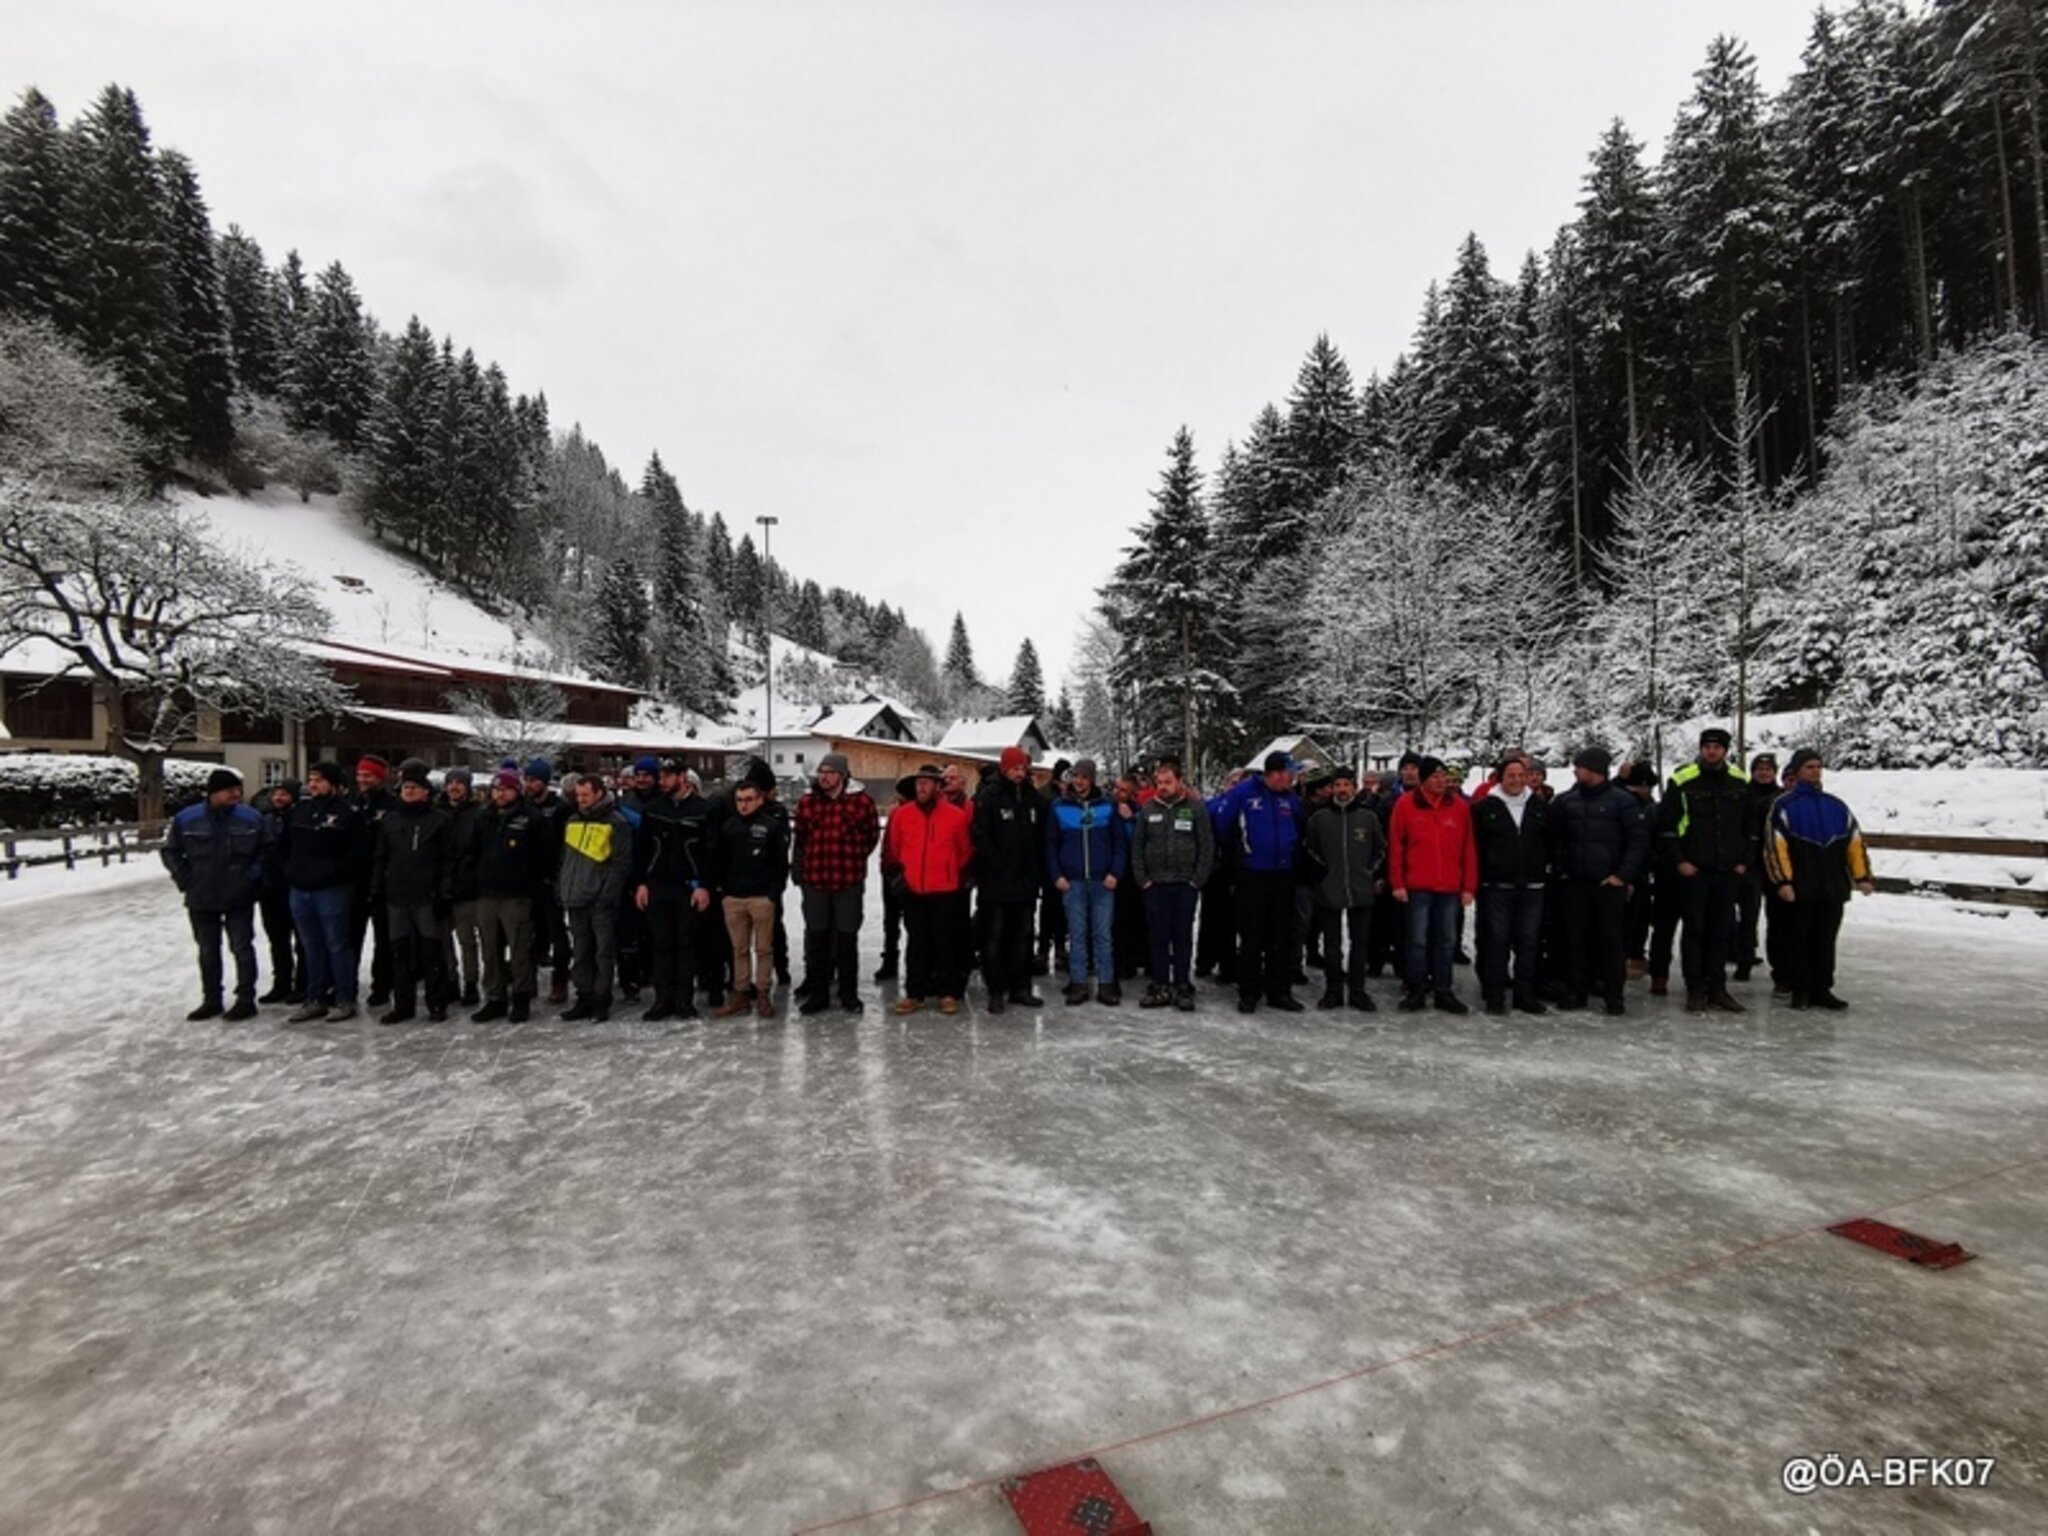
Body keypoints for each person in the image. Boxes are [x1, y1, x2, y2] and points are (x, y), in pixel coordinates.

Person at [1761, 749, 1876, 1010]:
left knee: (1826, 940)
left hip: (1832, 885)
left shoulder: (1836, 805)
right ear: (1797, 771)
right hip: (1801, 886)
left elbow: (1855, 843)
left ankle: (1822, 987)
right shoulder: (1783, 806)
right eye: (1809, 767)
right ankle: (1800, 989)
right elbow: (1775, 846)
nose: (1815, 771)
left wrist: (1862, 875)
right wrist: (1783, 881)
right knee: (1799, 939)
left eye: (1818, 766)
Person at [1657, 726, 1756, 1014]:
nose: (1711, 751)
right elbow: (1667, 826)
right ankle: (1695, 987)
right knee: (1695, 929)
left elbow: (1751, 827)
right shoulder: (1683, 780)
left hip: (1727, 870)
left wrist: (1743, 862)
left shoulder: (1740, 781)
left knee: (1721, 930)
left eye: (1717, 747)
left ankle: (1718, 986)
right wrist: (1680, 861)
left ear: (1726, 751)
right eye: (1707, 746)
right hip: (1695, 870)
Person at [161, 767, 271, 1021]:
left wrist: (252, 878)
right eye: (230, 790)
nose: (236, 794)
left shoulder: (251, 818)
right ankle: (211, 999)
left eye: (238, 789)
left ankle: (245, 999)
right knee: (208, 950)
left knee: (242, 947)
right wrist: (185, 879)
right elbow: (171, 851)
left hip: (239, 894)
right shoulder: (187, 819)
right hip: (201, 895)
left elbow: (265, 852)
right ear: (213, 793)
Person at [1550, 748, 1650, 1015]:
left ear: (1593, 770)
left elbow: (1638, 841)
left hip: (1609, 884)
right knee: (1574, 940)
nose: (1575, 771)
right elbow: (1556, 839)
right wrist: (1561, 870)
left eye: (1579, 767)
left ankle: (1613, 994)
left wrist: (1622, 875)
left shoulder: (1622, 801)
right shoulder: (1566, 801)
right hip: (1575, 883)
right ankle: (1575, 991)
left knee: (1611, 941)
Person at [1210, 751, 1308, 1014]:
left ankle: (1279, 991)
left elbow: (1300, 829)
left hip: (1283, 874)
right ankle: (1249, 992)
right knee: (1252, 936)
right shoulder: (1243, 792)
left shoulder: (1290, 798)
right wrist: (1237, 859)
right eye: (1289, 773)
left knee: (1281, 936)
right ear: (1275, 773)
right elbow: (1222, 824)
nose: (1292, 779)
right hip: (1251, 874)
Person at [791, 751, 879, 1015]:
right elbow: (802, 839)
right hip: (816, 881)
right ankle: (819, 994)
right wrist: (801, 872)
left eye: (829, 772)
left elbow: (871, 837)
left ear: (841, 775)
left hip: (847, 881)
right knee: (817, 939)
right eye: (821, 772)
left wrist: (852, 858)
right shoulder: (808, 803)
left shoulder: (862, 802)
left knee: (846, 940)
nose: (824, 777)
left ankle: (848, 993)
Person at [882, 764, 974, 1015]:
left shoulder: (955, 816)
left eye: (926, 782)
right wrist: (901, 876)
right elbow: (894, 848)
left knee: (945, 942)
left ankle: (947, 992)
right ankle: (915, 993)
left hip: (945, 890)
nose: (921, 786)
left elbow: (965, 851)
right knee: (917, 942)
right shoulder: (902, 815)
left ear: (937, 787)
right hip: (913, 890)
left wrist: (954, 877)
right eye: (918, 782)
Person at [1387, 756, 1477, 1013]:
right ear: (1424, 780)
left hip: (1449, 886)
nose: (1441, 781)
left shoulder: (1459, 807)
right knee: (1417, 940)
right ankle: (1416, 988)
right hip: (1417, 885)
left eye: (1443, 776)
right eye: (1435, 776)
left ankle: (1443, 990)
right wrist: (1398, 882)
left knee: (1446, 940)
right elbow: (1397, 846)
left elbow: (1468, 848)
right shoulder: (1405, 805)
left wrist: (1469, 885)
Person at [370, 759, 456, 1025]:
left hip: (427, 898)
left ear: (425, 792)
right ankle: (403, 1004)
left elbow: (447, 860)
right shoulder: (390, 820)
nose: (408, 791)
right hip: (397, 896)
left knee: (432, 953)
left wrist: (444, 893)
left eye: (413, 787)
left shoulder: (439, 820)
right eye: (405, 787)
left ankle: (436, 1002)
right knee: (400, 954)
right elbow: (380, 857)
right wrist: (376, 890)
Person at [279, 761, 366, 1022]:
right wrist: (290, 872)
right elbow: (283, 846)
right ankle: (314, 996)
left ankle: (343, 997)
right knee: (309, 946)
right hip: (300, 888)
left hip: (332, 889)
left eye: (319, 779)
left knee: (337, 944)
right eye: (311, 779)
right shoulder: (299, 811)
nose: (313, 784)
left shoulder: (348, 812)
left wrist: (337, 873)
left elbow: (358, 852)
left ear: (333, 784)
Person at [1130, 754, 1214, 1011]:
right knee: (1158, 936)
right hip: (1155, 886)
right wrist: (1142, 879)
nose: (1162, 787)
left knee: (1182, 936)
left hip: (1184, 885)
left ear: (1179, 782)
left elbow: (1206, 845)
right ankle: (1160, 984)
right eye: (1159, 782)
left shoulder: (1195, 807)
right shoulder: (1148, 809)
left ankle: (1181, 984)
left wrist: (1197, 879)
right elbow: (1137, 847)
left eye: (1167, 782)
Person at [1470, 755, 1551, 1016]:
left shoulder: (1540, 806)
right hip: (1497, 886)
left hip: (1533, 886)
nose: (1516, 781)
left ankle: (1524, 994)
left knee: (1528, 942)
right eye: (1511, 776)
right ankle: (1495, 995)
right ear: (1501, 778)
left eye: (1521, 775)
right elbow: (1475, 847)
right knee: (1497, 942)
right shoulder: (1485, 808)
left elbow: (1553, 843)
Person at [1298, 765, 1384, 1012]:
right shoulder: (1319, 819)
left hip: (1361, 889)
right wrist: (1323, 872)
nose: (1342, 789)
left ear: (1354, 788)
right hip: (1329, 889)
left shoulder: (1368, 817)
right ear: (1332, 789)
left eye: (1346, 785)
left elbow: (1380, 848)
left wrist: (1370, 872)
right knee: (1332, 944)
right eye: (1337, 785)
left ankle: (1358, 991)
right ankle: (1333, 990)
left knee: (1360, 943)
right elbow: (1309, 848)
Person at [634, 758, 714, 1022]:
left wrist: (704, 885)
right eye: (661, 777)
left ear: (682, 777)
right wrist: (641, 883)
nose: (662, 781)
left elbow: (711, 852)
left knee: (686, 945)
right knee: (661, 944)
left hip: (687, 887)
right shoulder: (653, 808)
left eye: (667, 776)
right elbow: (643, 849)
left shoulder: (703, 809)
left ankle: (684, 1000)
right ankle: (662, 999)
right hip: (657, 885)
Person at [970, 746, 1046, 1014]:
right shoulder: (989, 796)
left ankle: (1020, 988)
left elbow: (1041, 836)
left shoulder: (1032, 797)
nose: (1019, 773)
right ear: (1004, 768)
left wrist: (1034, 870)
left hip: (1025, 883)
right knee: (994, 938)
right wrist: (999, 865)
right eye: (1015, 768)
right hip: (996, 882)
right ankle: (996, 990)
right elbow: (980, 835)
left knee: (1023, 938)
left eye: (1023, 768)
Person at [1046, 758, 1128, 1006]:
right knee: (1078, 934)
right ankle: (1079, 982)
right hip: (1073, 881)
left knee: (1103, 934)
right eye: (1076, 776)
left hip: (1103, 881)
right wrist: (1057, 875)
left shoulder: (1107, 805)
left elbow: (1119, 843)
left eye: (1084, 777)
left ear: (1092, 780)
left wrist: (1115, 871)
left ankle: (1106, 982)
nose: (1079, 782)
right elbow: (1050, 844)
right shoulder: (1059, 806)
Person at [470, 768, 549, 1023]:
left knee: (520, 949)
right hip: (487, 894)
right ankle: (495, 998)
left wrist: (533, 887)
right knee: (490, 949)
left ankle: (521, 997)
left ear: (516, 790)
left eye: (505, 789)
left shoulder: (532, 818)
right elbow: (472, 852)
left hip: (518, 895)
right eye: (496, 789)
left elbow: (543, 857)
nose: (500, 794)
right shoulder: (483, 817)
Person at [710, 775, 792, 1018]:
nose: (743, 805)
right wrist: (723, 892)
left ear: (759, 800)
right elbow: (718, 862)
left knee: (764, 949)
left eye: (748, 800)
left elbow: (780, 864)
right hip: (733, 898)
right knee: (738, 949)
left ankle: (764, 993)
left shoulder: (771, 826)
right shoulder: (728, 827)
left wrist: (773, 894)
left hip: (761, 898)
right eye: (739, 800)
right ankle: (741, 993)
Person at [557, 772, 634, 1022]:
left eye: (586, 795)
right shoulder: (571, 821)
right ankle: (584, 997)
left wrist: (607, 894)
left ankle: (601, 1000)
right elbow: (565, 861)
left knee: (603, 953)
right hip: (575, 897)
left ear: (600, 793)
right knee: (581, 951)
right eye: (578, 795)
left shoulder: (617, 823)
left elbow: (621, 864)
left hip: (601, 900)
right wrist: (563, 888)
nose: (581, 800)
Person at [349, 755, 397, 1008]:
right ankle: (347, 984)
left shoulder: (392, 805)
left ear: (380, 778)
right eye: (360, 775)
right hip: (355, 881)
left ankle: (382, 986)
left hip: (383, 881)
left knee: (384, 940)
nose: (362, 780)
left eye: (368, 775)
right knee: (350, 938)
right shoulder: (352, 803)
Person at [523, 759, 572, 1004]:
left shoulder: (561, 808)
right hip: (527, 880)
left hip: (552, 879)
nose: (529, 785)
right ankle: (527, 979)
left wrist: (558, 875)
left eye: (534, 780)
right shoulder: (523, 807)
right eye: (527, 780)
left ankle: (560, 980)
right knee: (527, 933)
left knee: (557, 933)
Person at [438, 767, 484, 1007]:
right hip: (442, 886)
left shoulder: (478, 813)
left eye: (459, 783)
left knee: (468, 940)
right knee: (443, 939)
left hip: (467, 886)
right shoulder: (437, 812)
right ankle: (450, 980)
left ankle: (471, 983)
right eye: (450, 783)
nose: (454, 787)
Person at [255, 778, 303, 1005]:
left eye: (284, 794)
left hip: (294, 886)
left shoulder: (300, 818)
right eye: (275, 794)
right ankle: (281, 982)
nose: (278, 798)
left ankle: (303, 983)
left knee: (302, 941)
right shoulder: (264, 820)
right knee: (277, 939)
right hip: (270, 888)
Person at [1735, 752, 1781, 984]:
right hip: (1750, 863)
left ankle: (1780, 967)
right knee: (1748, 915)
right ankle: (1744, 959)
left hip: (1774, 863)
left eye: (1768, 769)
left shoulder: (1781, 797)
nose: (1764, 773)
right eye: (1759, 769)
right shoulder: (1743, 795)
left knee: (1777, 917)